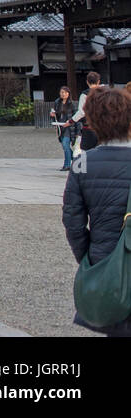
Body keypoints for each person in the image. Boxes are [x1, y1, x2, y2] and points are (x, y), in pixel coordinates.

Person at [61, 86, 131, 336]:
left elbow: (73, 222)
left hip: (105, 260)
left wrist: (88, 257)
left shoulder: (81, 164)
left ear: (92, 120)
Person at [51, 85, 79, 172]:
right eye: (61, 92)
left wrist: (77, 130)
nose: (62, 94)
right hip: (60, 126)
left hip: (69, 127)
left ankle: (67, 165)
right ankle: (76, 159)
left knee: (65, 144)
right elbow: (55, 115)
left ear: (68, 94)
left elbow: (76, 118)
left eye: (64, 92)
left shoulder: (72, 104)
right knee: (65, 146)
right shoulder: (57, 103)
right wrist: (52, 116)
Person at [74, 71, 103, 153]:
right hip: (102, 128)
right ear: (98, 81)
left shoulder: (84, 94)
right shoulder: (104, 93)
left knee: (86, 152)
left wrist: (71, 121)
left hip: (88, 128)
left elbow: (81, 112)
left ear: (87, 82)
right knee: (101, 151)